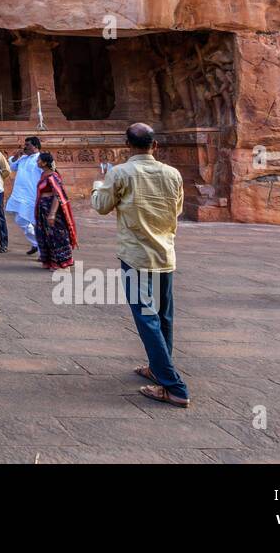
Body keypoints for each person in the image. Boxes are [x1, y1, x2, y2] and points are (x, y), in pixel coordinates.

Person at [92, 123, 189, 408]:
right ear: (154, 145)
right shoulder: (173, 174)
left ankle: (174, 386)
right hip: (164, 253)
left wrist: (100, 185)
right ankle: (158, 368)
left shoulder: (120, 172)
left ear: (127, 146)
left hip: (135, 255)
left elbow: (101, 205)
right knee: (163, 316)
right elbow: (177, 209)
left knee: (147, 318)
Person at [34, 153, 78, 269]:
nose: (37, 162)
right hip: (43, 209)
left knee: (56, 235)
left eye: (38, 160)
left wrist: (52, 214)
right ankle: (49, 261)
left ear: (44, 163)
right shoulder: (44, 174)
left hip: (51, 209)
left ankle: (62, 261)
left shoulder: (53, 176)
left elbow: (57, 195)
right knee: (45, 234)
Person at [6, 136, 43, 256]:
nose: (25, 147)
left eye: (28, 145)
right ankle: (36, 243)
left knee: (36, 222)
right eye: (25, 145)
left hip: (32, 195)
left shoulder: (40, 159)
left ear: (35, 146)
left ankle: (43, 251)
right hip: (19, 195)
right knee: (20, 219)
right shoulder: (23, 158)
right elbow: (11, 167)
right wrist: (16, 156)